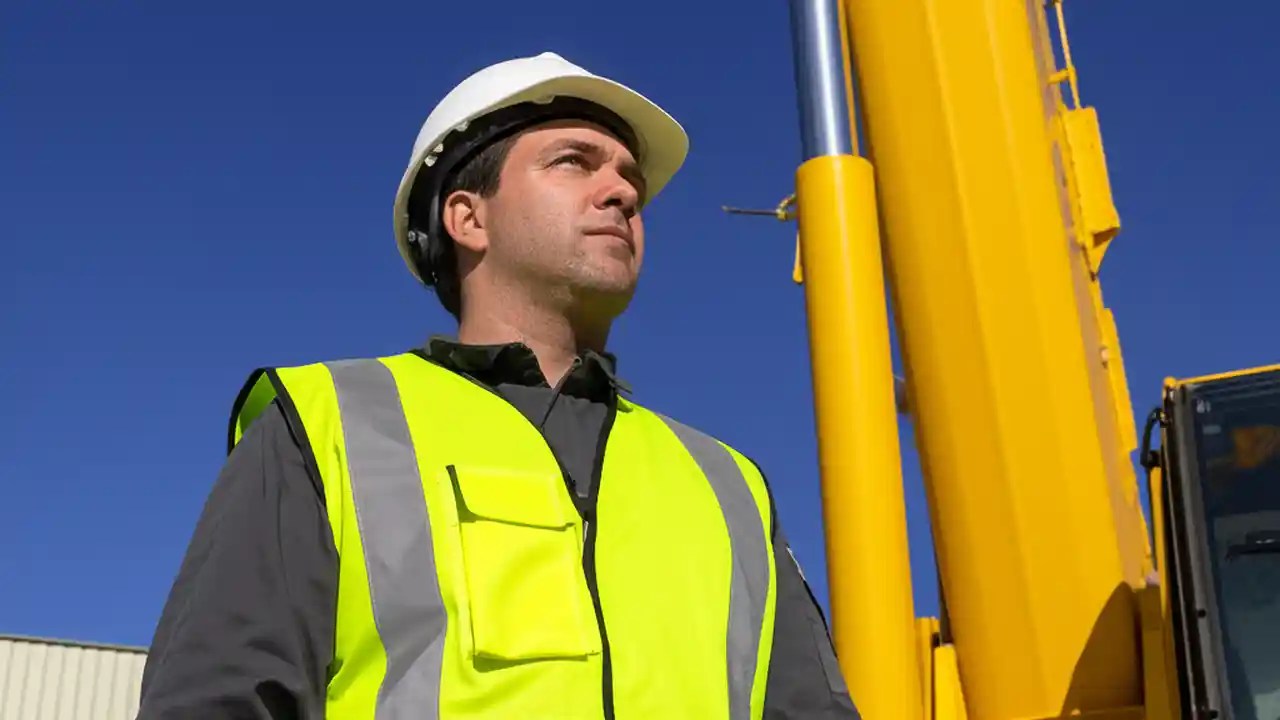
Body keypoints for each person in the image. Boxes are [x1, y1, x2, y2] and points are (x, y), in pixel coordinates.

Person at [136, 51, 859, 720]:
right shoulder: (328, 424)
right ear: (466, 217)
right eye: (574, 162)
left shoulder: (726, 484)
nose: (622, 194)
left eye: (630, 182)